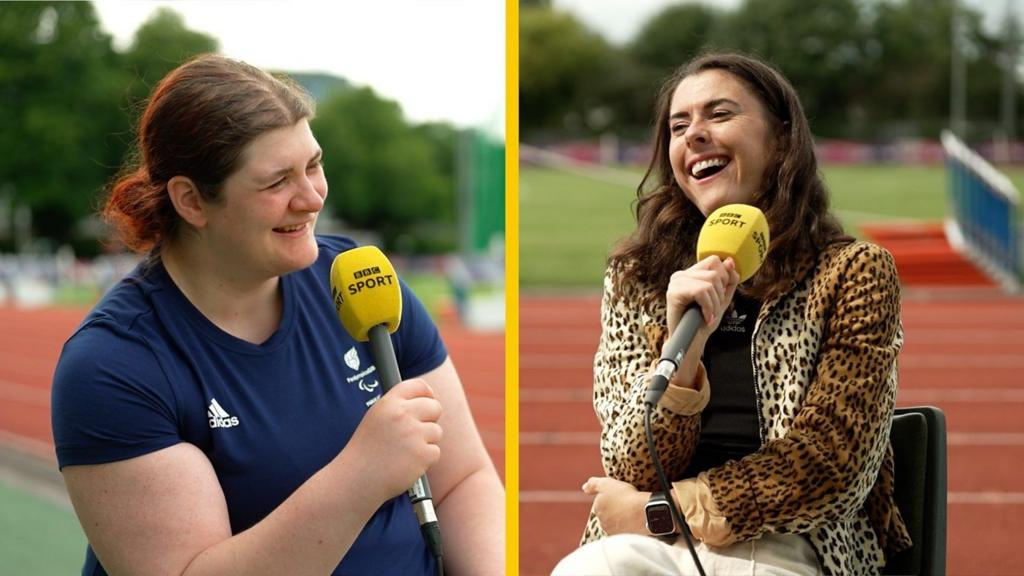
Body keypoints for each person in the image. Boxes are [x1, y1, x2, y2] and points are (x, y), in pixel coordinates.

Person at [50, 54, 504, 576]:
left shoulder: (360, 279)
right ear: (191, 201)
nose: (312, 198)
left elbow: (463, 479)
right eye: (277, 182)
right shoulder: (116, 364)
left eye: (313, 165)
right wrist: (361, 475)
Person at [552, 53, 911, 575]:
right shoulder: (637, 278)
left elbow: (833, 466)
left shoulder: (852, 272)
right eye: (679, 125)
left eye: (719, 115)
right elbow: (631, 461)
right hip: (645, 548)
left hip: (794, 544)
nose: (695, 134)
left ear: (782, 139)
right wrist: (686, 350)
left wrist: (663, 511)